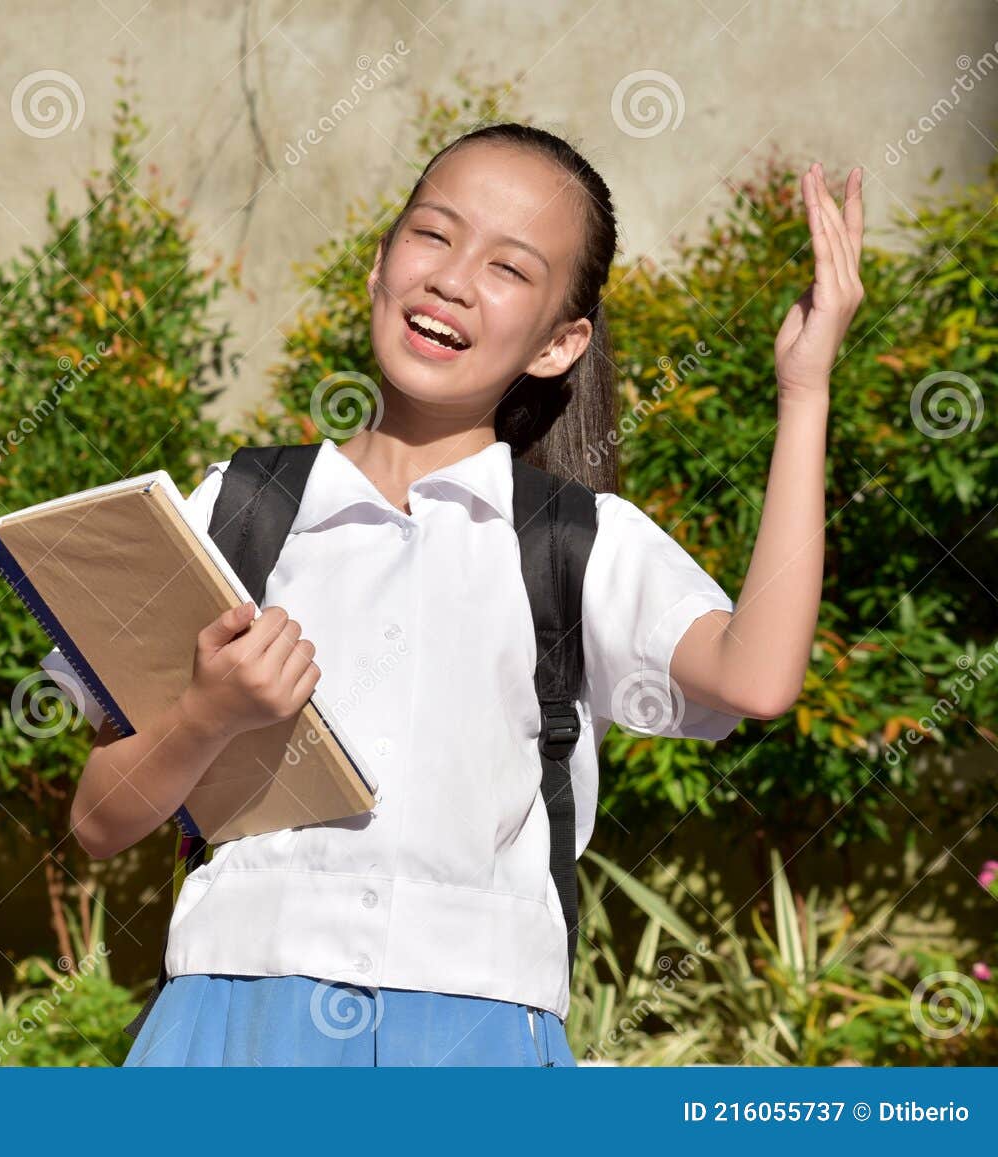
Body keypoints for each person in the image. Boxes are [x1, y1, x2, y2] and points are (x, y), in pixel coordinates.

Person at [42, 122, 865, 1066]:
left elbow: (756, 678)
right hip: (229, 1025)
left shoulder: (576, 540)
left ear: (561, 343)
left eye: (511, 267)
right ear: (379, 265)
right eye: (434, 235)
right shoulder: (235, 507)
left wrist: (805, 392)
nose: (453, 277)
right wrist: (206, 714)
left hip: (475, 1038)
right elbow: (100, 822)